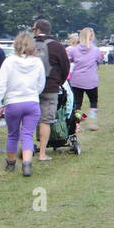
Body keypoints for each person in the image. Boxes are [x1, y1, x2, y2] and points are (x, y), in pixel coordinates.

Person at [0, 31, 45, 175]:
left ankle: (10, 163)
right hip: (32, 101)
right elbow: (41, 83)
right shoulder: (37, 62)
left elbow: (1, 83)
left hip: (13, 102)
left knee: (13, 134)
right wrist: (34, 94)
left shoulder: (9, 61)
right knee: (27, 134)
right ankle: (27, 163)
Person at [32, 19, 71, 162]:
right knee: (46, 120)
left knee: (30, 120)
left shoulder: (30, 45)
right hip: (50, 87)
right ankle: (42, 153)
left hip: (30, 89)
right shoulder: (57, 46)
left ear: (37, 30)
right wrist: (58, 82)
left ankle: (28, 149)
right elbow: (66, 67)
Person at [67, 27, 102, 129]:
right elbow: (99, 60)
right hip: (91, 80)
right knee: (93, 102)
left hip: (77, 80)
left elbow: (70, 60)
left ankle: (76, 124)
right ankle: (92, 122)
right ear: (91, 36)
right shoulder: (95, 50)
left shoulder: (74, 50)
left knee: (77, 104)